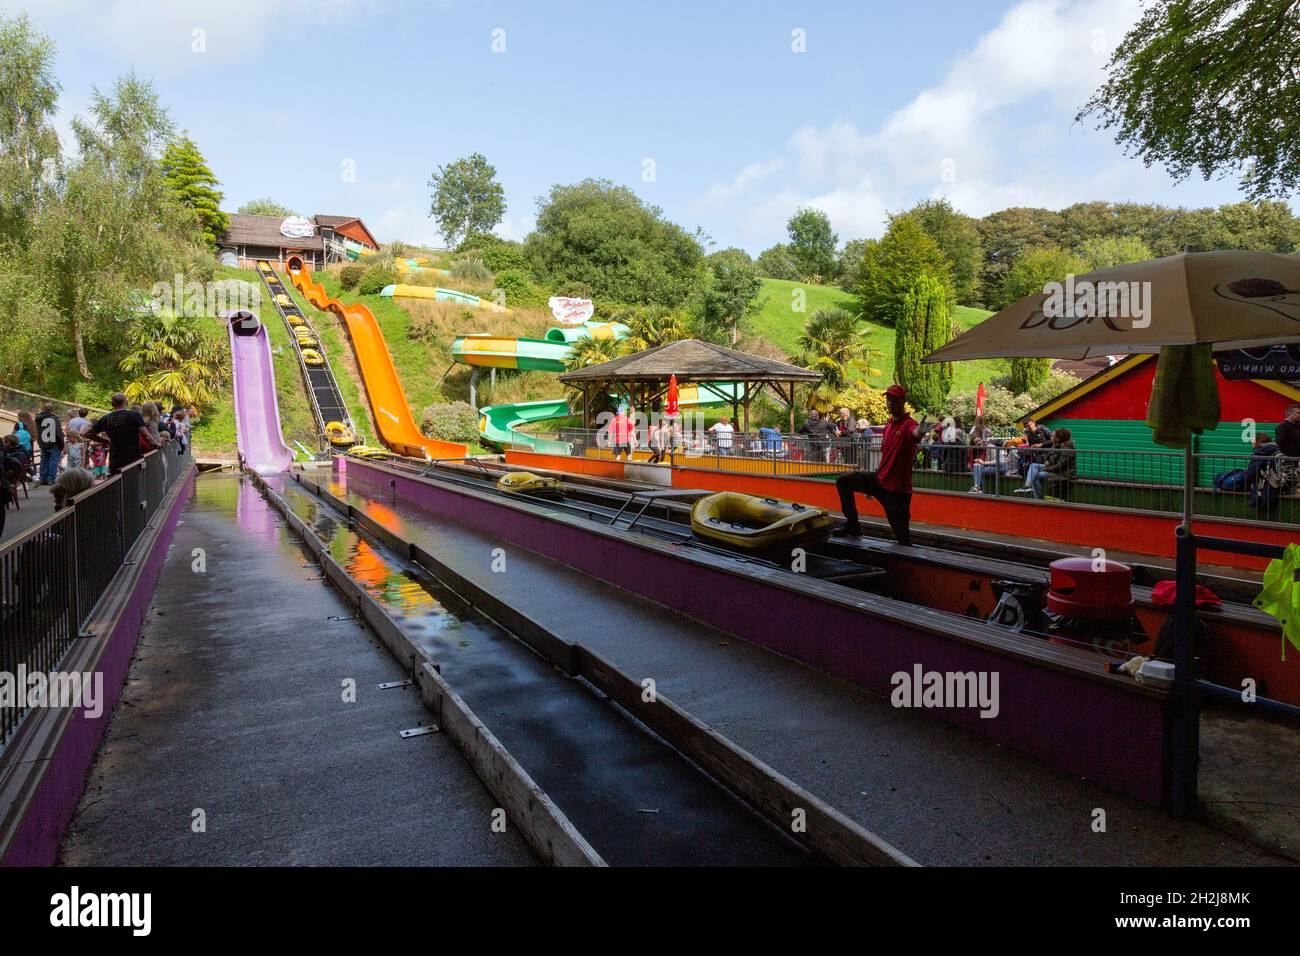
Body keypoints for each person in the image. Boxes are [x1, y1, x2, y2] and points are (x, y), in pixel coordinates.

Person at [833, 384, 931, 546]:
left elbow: (915, 433)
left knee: (902, 537)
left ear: (903, 401)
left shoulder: (909, 425)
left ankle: (907, 563)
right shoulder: (889, 425)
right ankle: (853, 526)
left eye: (894, 400)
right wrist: (870, 486)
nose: (890, 403)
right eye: (888, 400)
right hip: (879, 480)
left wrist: (920, 432)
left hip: (897, 491)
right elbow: (887, 456)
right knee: (843, 480)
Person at [85, 392, 159, 475]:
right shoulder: (134, 416)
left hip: (115, 458)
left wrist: (105, 441)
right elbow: (147, 436)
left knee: (117, 483)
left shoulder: (106, 418)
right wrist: (157, 445)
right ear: (126, 402)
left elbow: (88, 434)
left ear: (112, 404)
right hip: (132, 458)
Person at [1016, 427, 1076, 499]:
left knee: (1036, 475)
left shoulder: (1066, 448)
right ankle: (1027, 486)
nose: (1051, 437)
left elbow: (1060, 466)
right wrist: (1048, 460)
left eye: (1053, 436)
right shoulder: (1057, 445)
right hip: (1055, 469)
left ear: (1058, 438)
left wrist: (1045, 468)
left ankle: (1038, 498)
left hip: (1063, 473)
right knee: (1033, 466)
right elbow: (1051, 460)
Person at [33, 402, 64, 486]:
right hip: (54, 443)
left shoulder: (38, 419)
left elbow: (37, 431)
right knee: (53, 461)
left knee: (43, 460)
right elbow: (58, 432)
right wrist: (61, 443)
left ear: (43, 409)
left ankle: (43, 479)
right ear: (52, 410)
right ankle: (51, 479)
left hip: (43, 443)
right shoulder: (55, 419)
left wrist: (39, 441)